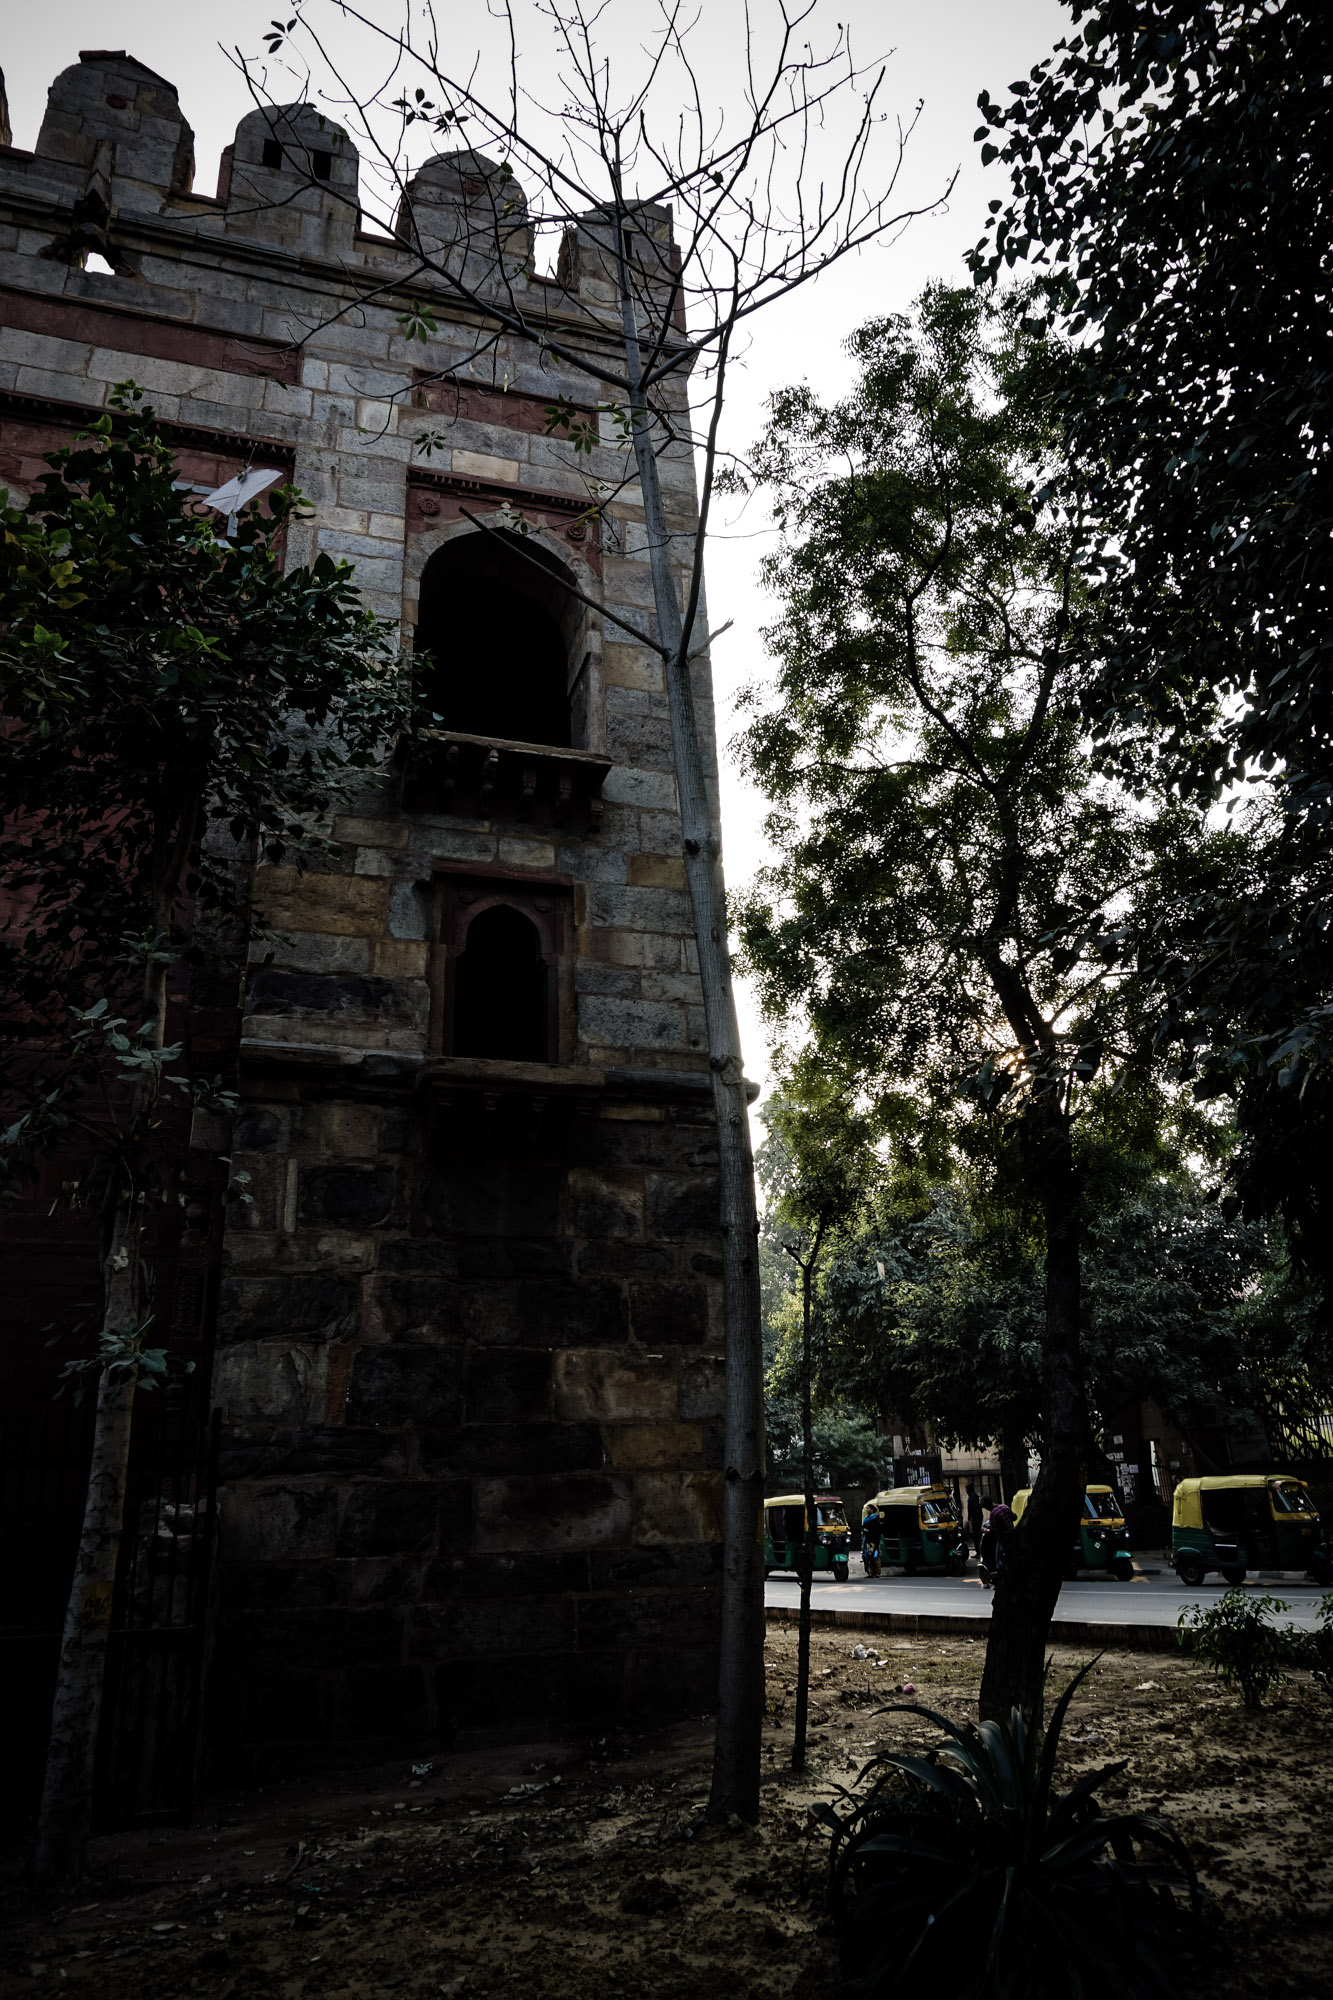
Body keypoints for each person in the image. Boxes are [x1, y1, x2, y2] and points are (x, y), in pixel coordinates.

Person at [967, 1486, 983, 1556]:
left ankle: (979, 1551)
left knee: (976, 1535)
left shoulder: (973, 1497)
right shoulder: (972, 1496)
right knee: (976, 1535)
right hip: (976, 1518)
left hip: (976, 1518)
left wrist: (972, 1517)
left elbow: (974, 1509)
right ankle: (978, 1551)